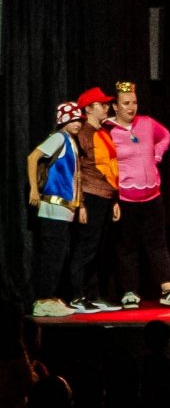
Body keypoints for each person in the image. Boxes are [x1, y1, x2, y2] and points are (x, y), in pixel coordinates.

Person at [103, 83, 170, 309]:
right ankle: (129, 291)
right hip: (126, 198)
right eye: (126, 103)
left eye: (134, 102)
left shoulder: (147, 123)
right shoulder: (108, 130)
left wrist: (156, 155)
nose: (132, 107)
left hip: (152, 196)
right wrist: (114, 196)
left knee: (158, 243)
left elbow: (165, 135)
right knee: (127, 246)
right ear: (115, 107)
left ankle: (169, 289)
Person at [26, 103, 87, 318]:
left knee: (58, 255)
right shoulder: (59, 138)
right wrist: (34, 188)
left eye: (80, 120)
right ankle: (42, 299)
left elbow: (75, 178)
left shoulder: (71, 141)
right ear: (64, 121)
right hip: (53, 206)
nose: (78, 123)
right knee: (52, 255)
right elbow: (33, 157)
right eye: (73, 120)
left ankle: (49, 296)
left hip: (65, 208)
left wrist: (79, 204)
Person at [69, 87, 118, 312]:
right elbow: (76, 169)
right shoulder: (82, 133)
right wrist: (80, 203)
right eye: (102, 104)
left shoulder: (103, 132)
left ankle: (94, 294)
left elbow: (110, 168)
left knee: (100, 248)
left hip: (105, 196)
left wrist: (115, 199)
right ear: (89, 109)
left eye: (107, 103)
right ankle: (77, 296)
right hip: (90, 195)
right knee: (85, 248)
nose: (106, 107)